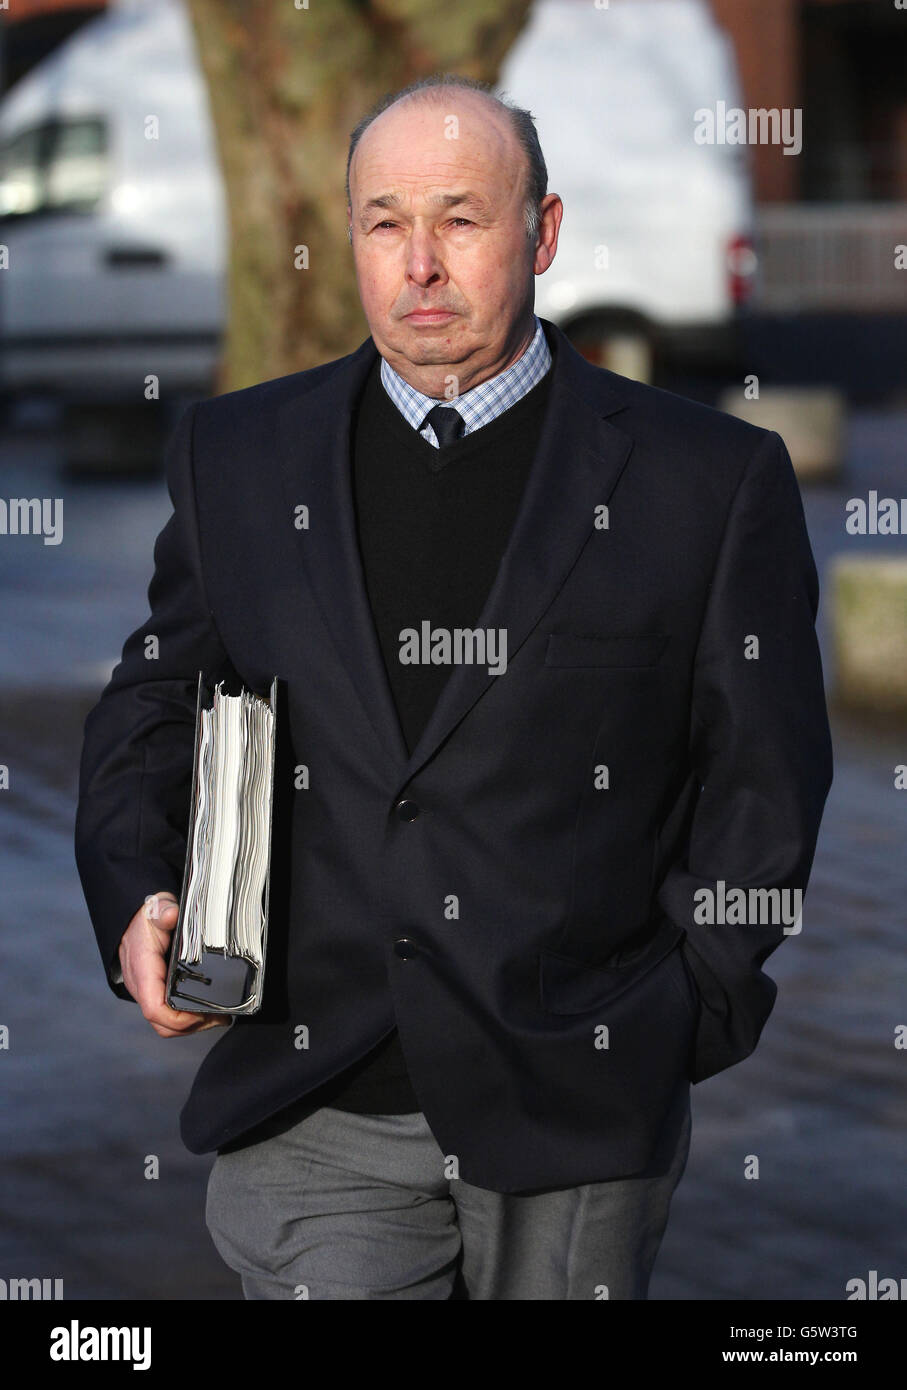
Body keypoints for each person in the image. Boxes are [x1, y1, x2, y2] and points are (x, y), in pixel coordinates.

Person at [75, 74, 833, 1300]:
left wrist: (683, 1009)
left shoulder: (708, 482)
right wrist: (137, 894)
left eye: (460, 220)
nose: (418, 264)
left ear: (541, 232)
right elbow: (153, 705)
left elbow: (765, 778)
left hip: (579, 1094)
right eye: (384, 222)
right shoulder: (240, 455)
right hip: (313, 1087)